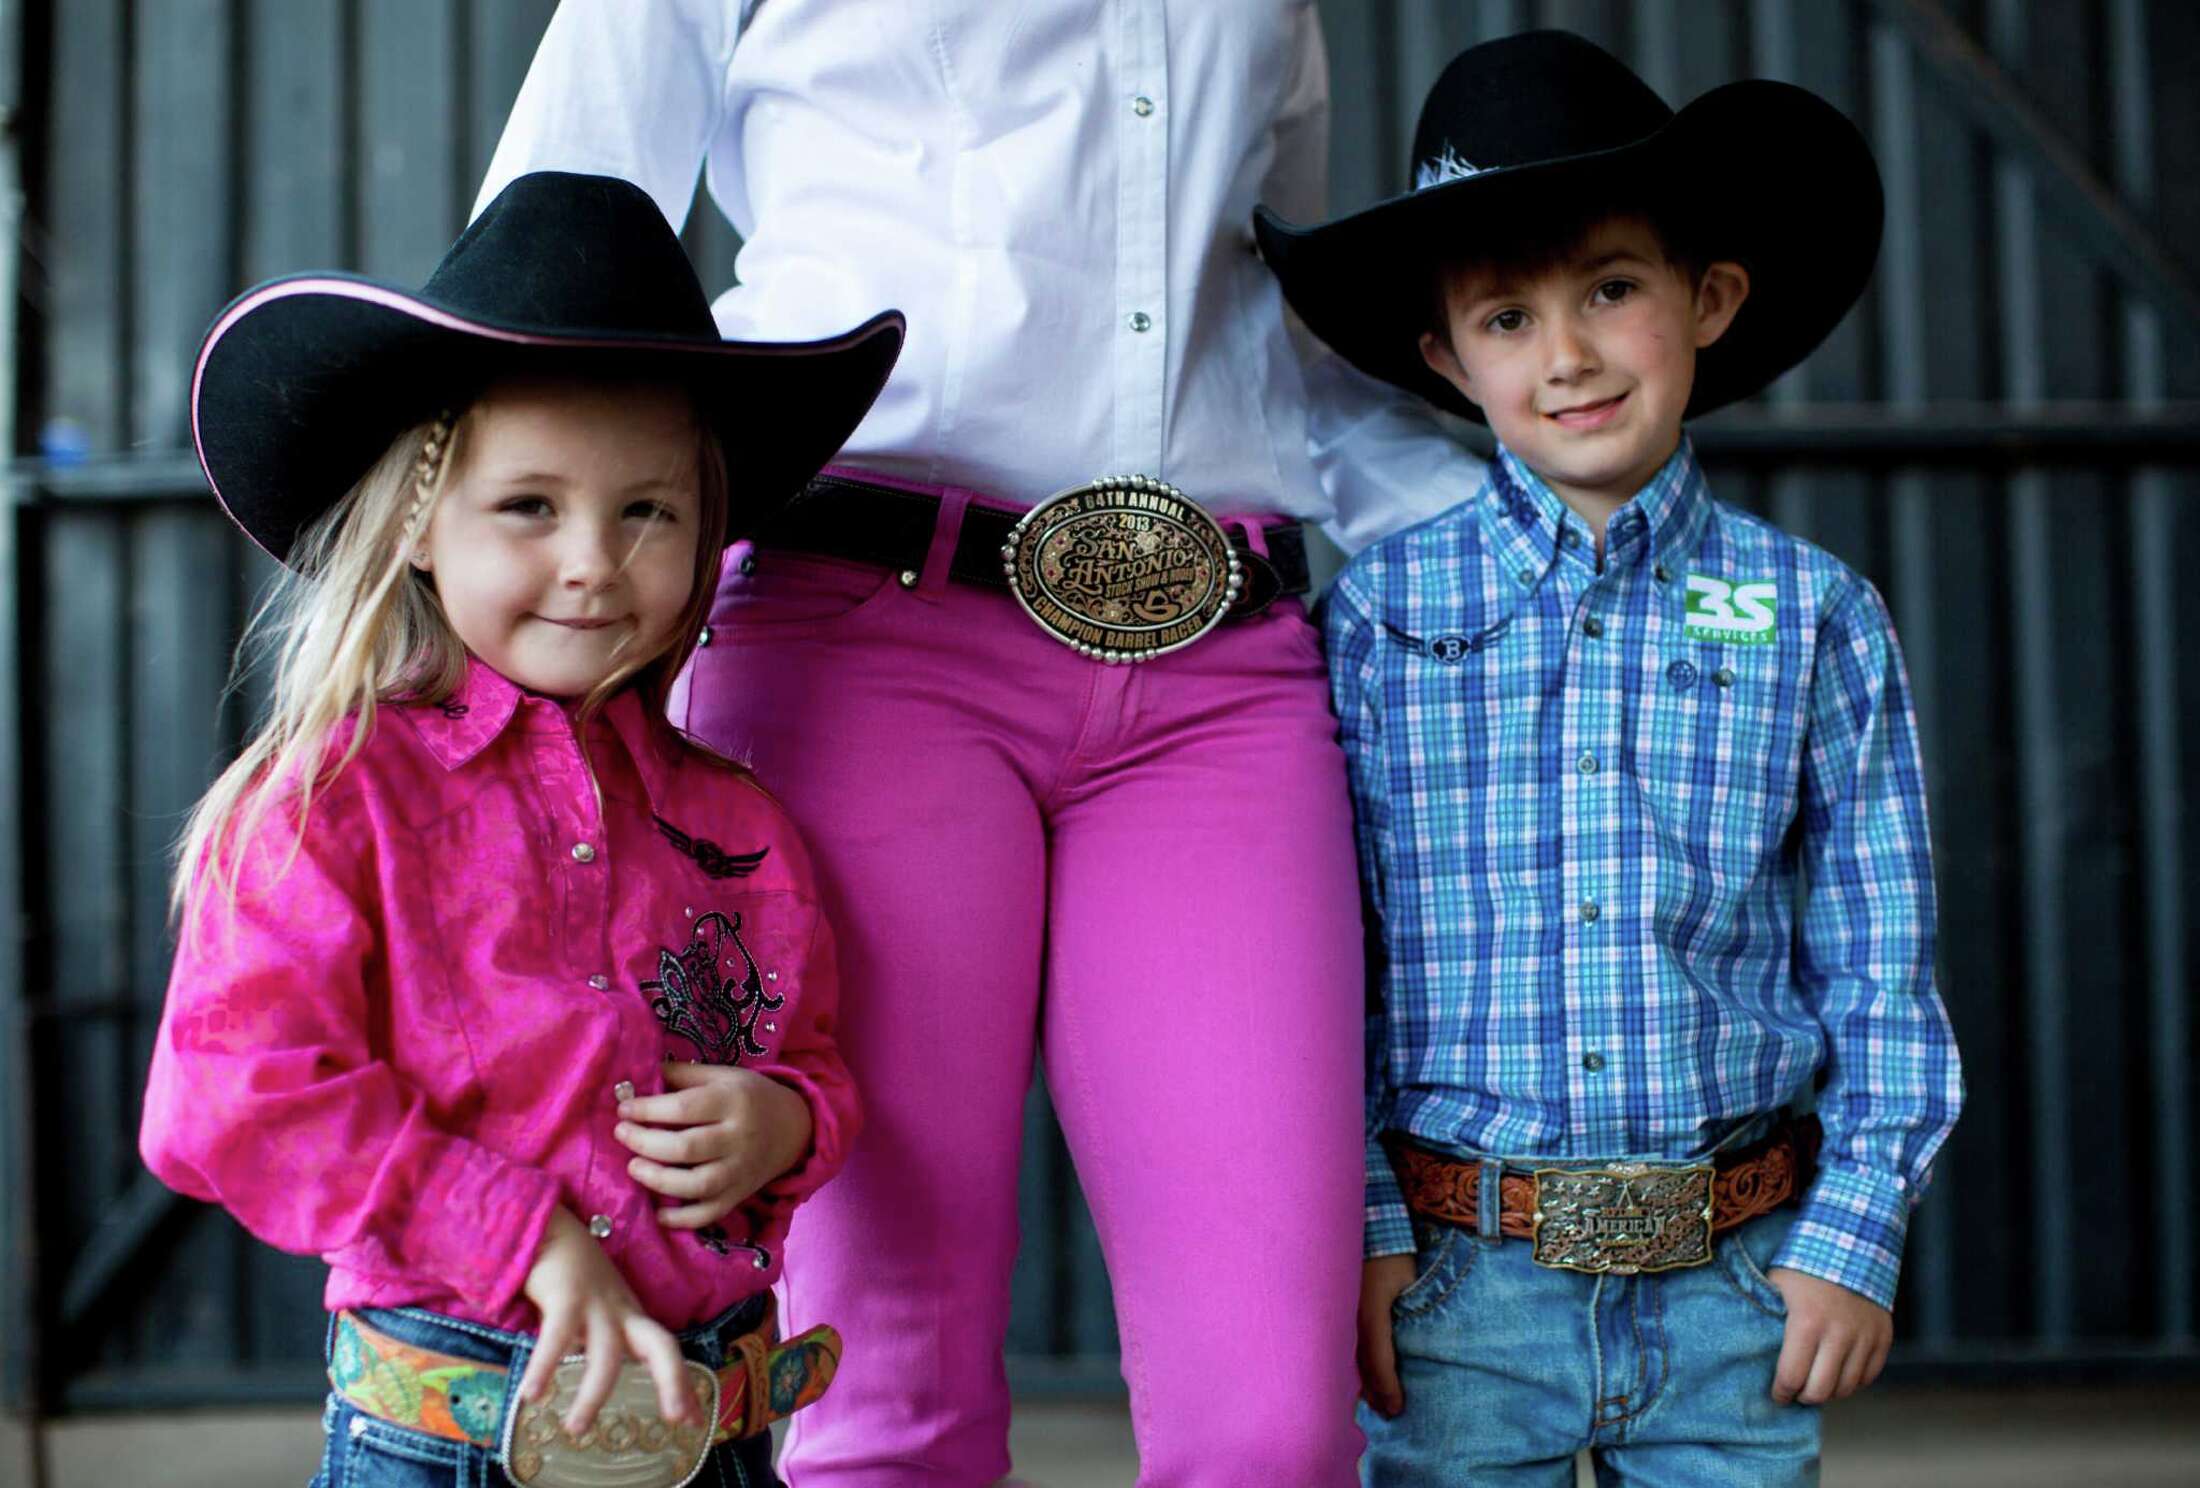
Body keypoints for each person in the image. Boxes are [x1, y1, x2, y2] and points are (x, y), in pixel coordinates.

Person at [476, 6, 1482, 1484]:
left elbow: (1266, 315)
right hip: (862, 637)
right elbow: (549, 258)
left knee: (1276, 1424)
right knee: (876, 1403)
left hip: (1220, 666)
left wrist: (1533, 534)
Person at [1255, 31, 1965, 1484]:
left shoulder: (1813, 615)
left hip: (1739, 1279)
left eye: (1613, 290)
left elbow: (1879, 957)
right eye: (1506, 318)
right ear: (1445, 357)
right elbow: (1331, 960)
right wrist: (1374, 1235)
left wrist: (1854, 1230)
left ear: (1707, 301)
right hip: (1459, 1281)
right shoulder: (1375, 622)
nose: (1567, 354)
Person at [138, 171, 903, 1488]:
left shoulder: (740, 824)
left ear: (707, 532)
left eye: (646, 510)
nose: (594, 560)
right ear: (422, 526)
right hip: (451, 1431)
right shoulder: (335, 800)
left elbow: (812, 1054)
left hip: (719, 1426)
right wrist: (526, 1237)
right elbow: (236, 1099)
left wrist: (786, 1123)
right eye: (530, 507)